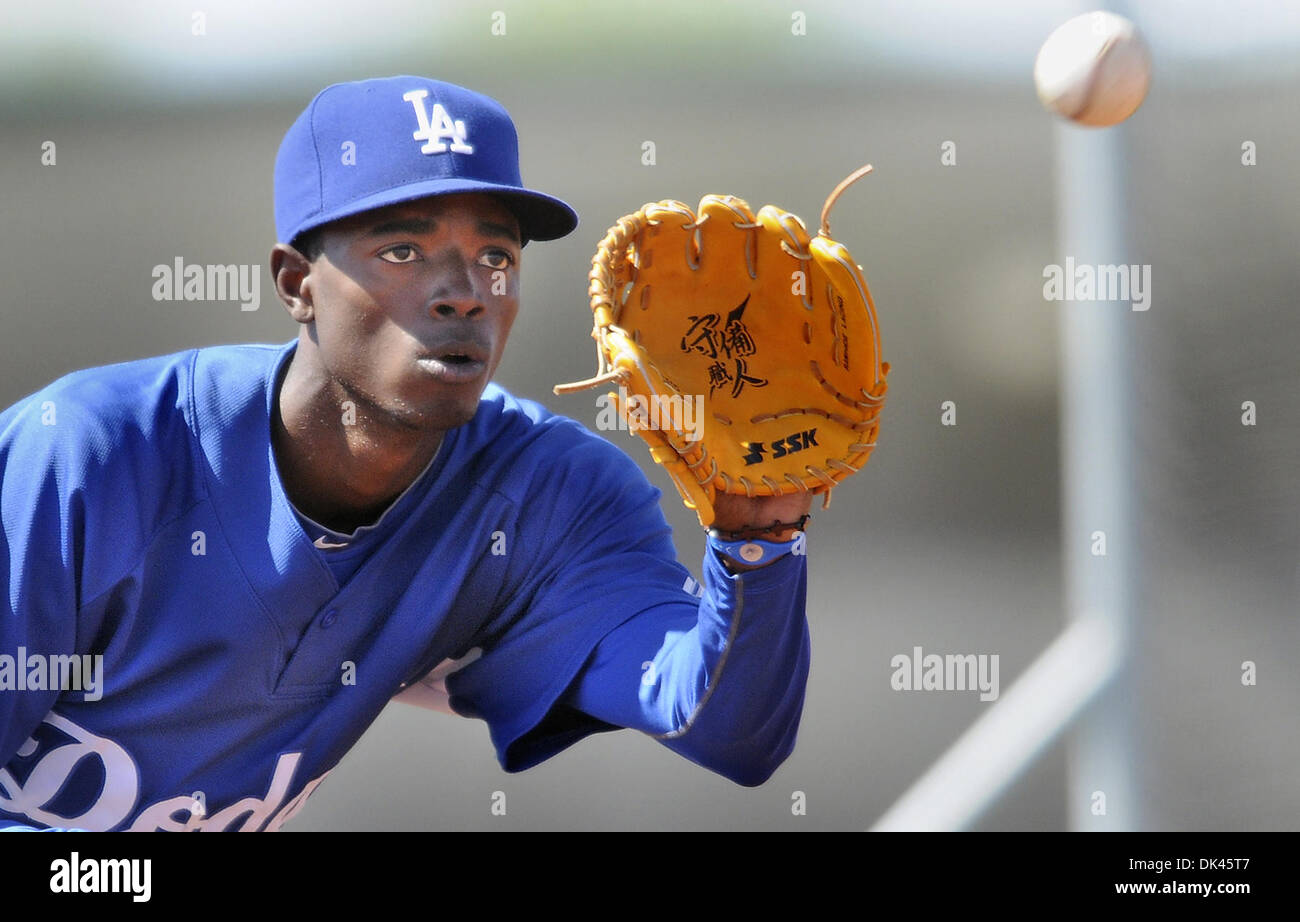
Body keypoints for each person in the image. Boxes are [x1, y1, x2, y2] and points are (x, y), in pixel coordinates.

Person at [0, 76, 811, 831]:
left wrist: (761, 535)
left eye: (496, 256)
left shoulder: (548, 498)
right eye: (402, 251)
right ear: (296, 285)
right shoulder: (87, 456)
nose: (465, 290)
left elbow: (726, 730)